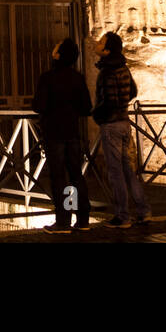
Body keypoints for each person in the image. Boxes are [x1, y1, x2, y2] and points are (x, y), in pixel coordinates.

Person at [32, 38, 93, 233]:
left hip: (54, 133)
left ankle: (63, 220)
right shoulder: (78, 77)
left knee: (59, 177)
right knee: (76, 175)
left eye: (56, 47)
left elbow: (38, 106)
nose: (53, 48)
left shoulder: (48, 77)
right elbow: (86, 107)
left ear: (58, 55)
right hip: (72, 132)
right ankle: (83, 219)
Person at [92, 31, 151, 227]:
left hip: (111, 124)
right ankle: (143, 210)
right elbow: (132, 91)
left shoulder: (107, 71)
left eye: (101, 42)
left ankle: (122, 216)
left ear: (107, 50)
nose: (97, 43)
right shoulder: (123, 68)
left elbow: (109, 100)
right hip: (125, 122)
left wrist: (98, 115)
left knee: (115, 172)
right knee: (128, 171)